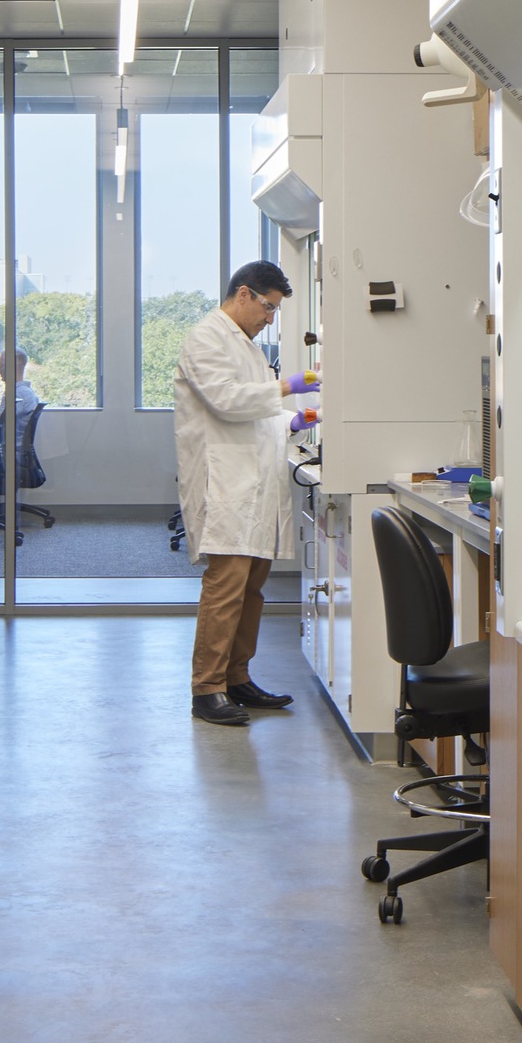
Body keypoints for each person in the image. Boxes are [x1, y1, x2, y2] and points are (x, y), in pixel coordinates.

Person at [172, 260, 321, 727]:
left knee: (251, 588)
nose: (270, 318)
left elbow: (258, 413)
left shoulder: (246, 345)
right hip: (225, 484)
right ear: (244, 294)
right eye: (268, 308)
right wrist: (288, 386)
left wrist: (294, 421)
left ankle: (237, 677)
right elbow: (228, 399)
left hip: (252, 483)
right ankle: (207, 688)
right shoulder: (206, 338)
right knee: (225, 588)